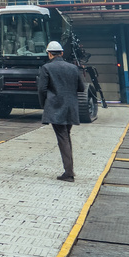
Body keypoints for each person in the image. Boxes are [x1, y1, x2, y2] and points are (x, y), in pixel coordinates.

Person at [37, 40, 85, 182]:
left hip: (56, 107)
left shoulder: (46, 68)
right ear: (62, 53)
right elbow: (81, 88)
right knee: (66, 136)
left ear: (49, 54)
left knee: (63, 138)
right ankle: (69, 170)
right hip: (70, 107)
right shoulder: (73, 68)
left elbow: (42, 89)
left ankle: (69, 173)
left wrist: (45, 105)